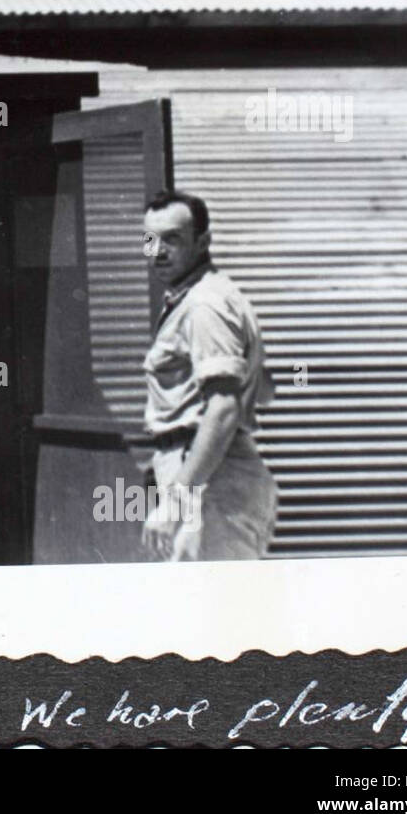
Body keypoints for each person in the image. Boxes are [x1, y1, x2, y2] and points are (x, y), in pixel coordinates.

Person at [139, 189, 277, 562]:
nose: (158, 251)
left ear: (203, 242)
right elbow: (264, 389)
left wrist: (176, 501)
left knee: (218, 610)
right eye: (150, 239)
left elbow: (223, 409)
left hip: (209, 484)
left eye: (172, 239)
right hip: (209, 476)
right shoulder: (203, 297)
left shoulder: (204, 305)